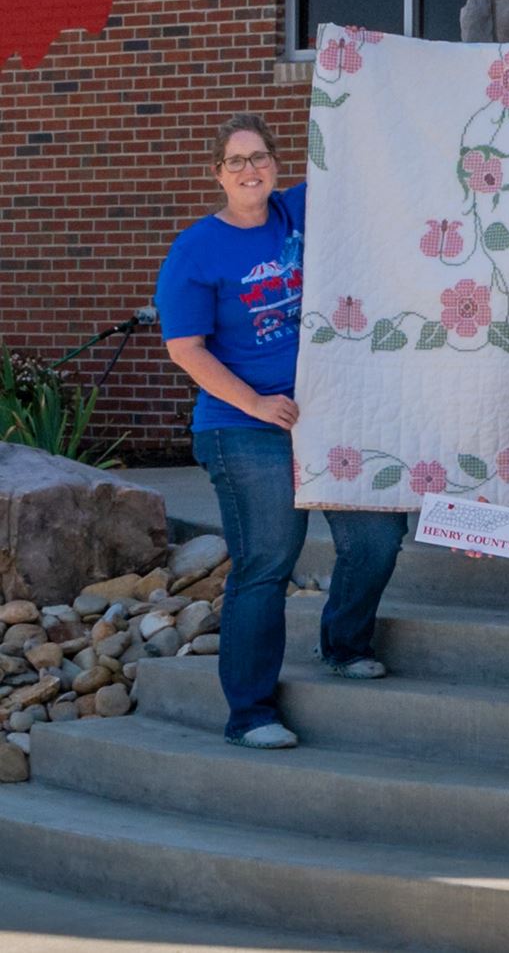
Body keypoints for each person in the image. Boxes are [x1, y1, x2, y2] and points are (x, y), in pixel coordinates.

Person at [157, 115, 406, 750]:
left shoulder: (294, 211)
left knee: (377, 532)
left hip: (329, 412)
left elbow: (359, 159)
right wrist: (257, 402)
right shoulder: (196, 249)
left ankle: (344, 643)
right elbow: (186, 348)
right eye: (236, 160)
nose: (249, 170)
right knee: (269, 556)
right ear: (218, 173)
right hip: (242, 424)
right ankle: (251, 711)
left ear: (275, 165)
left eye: (260, 157)